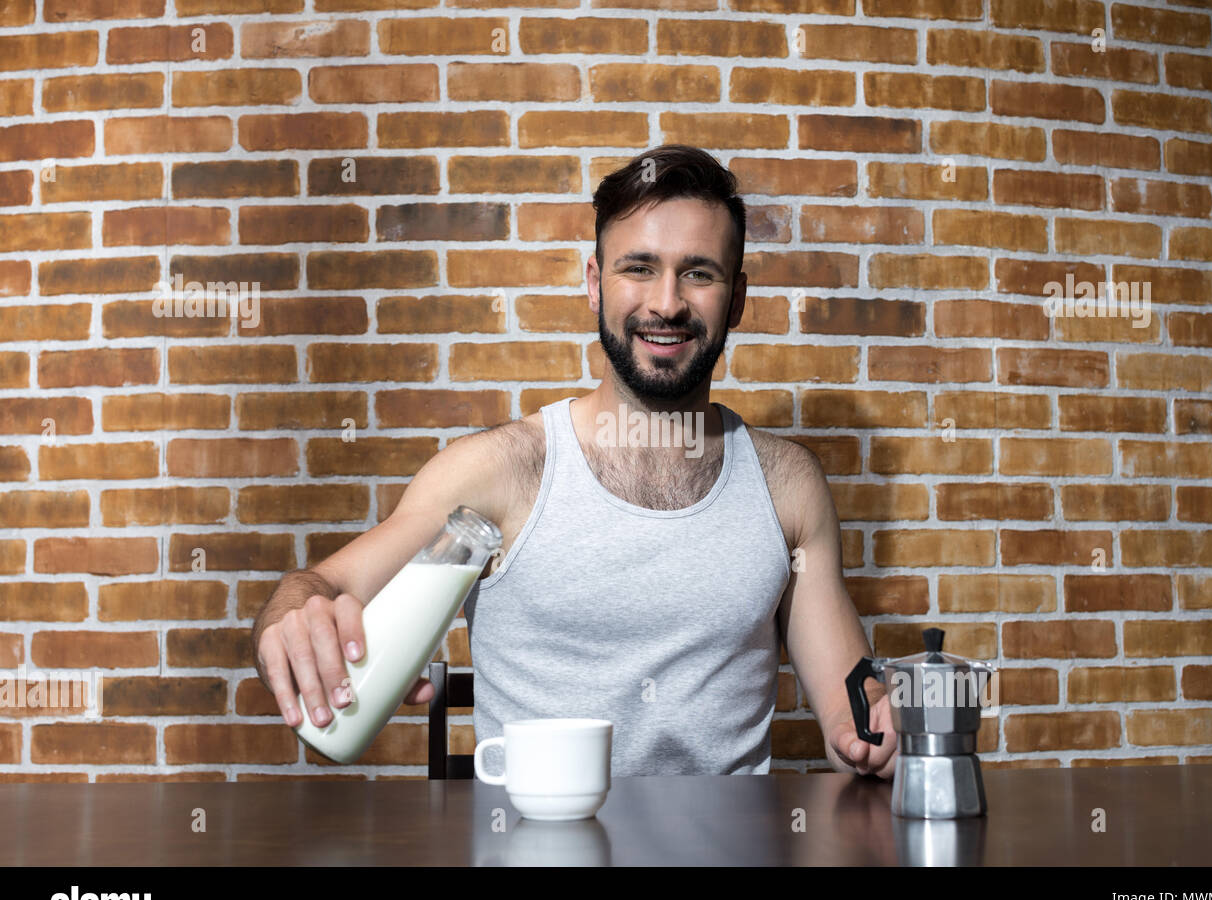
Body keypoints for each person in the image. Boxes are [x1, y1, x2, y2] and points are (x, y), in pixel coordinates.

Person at [252, 144, 897, 779]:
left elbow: (854, 711)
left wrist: (879, 734)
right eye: (638, 268)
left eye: (699, 272)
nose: (667, 303)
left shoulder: (788, 486)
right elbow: (321, 587)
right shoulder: (499, 472)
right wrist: (295, 620)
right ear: (595, 284)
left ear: (736, 300)